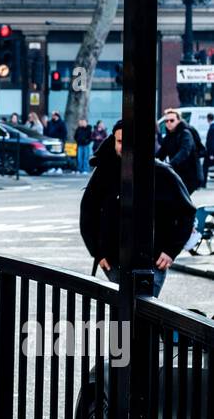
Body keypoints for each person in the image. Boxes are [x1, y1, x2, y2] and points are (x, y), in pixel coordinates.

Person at [80, 121, 195, 297]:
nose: (124, 147)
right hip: (113, 259)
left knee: (142, 309)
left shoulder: (162, 173)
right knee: (124, 310)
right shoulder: (105, 172)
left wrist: (171, 251)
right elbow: (88, 212)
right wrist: (98, 252)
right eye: (120, 142)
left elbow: (187, 212)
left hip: (153, 259)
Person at [157, 107, 204, 195]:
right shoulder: (168, 137)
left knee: (180, 198)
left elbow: (184, 151)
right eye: (166, 121)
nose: (169, 123)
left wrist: (170, 164)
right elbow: (161, 153)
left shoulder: (185, 133)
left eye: (172, 120)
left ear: (178, 121)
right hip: (179, 174)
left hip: (190, 175)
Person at [206, 113, 214, 183]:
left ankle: (203, 183)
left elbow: (211, 141)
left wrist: (211, 153)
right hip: (210, 151)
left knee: (205, 166)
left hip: (211, 152)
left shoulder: (212, 128)